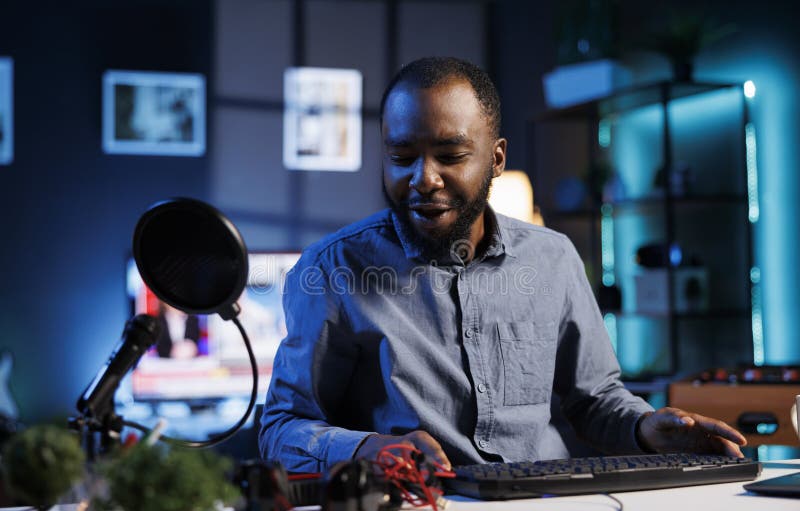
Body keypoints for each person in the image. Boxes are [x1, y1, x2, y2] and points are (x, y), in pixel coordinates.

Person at [259, 57, 746, 473]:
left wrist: (644, 428)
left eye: (450, 155)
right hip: (422, 510)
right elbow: (281, 429)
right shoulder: (333, 270)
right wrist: (367, 448)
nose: (423, 178)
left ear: (496, 159)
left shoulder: (552, 258)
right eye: (401, 156)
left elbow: (595, 401)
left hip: (549, 507)